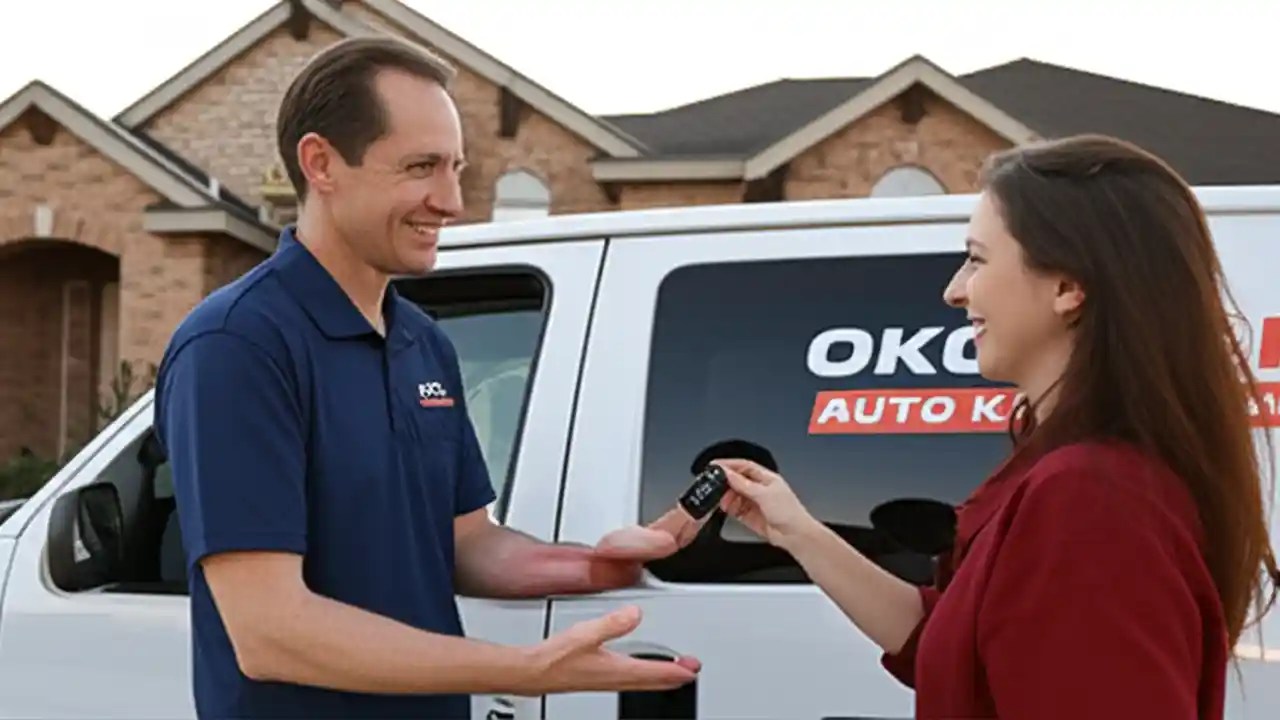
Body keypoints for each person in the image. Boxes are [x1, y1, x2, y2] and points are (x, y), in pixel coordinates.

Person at [153, 36, 698, 720]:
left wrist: (597, 565)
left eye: (456, 168)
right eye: (421, 167)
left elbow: (467, 543)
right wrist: (525, 670)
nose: (451, 201)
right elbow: (270, 633)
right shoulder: (237, 346)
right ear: (321, 163)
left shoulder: (423, 343)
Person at [711, 134, 1279, 719]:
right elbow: (944, 644)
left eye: (977, 259)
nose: (954, 290)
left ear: (1067, 286)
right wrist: (795, 530)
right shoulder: (1076, 474)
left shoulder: (1090, 499)